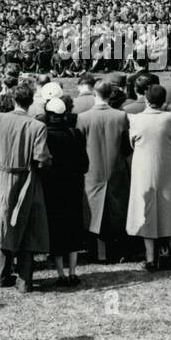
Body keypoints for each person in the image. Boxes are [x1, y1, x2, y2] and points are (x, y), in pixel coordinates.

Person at [0, 82, 52, 291]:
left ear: (13, 100)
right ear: (30, 102)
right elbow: (42, 159)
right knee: (26, 226)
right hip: (25, 180)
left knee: (1, 223)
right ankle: (24, 280)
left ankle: (1, 276)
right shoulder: (37, 126)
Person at [126, 84, 171, 270]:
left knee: (148, 209)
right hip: (167, 167)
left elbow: (131, 143)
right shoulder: (170, 118)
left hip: (144, 168)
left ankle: (151, 258)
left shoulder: (136, 119)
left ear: (146, 99)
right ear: (164, 101)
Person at [76, 79, 132, 264]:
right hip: (116, 168)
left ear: (94, 94)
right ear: (110, 95)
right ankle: (118, 250)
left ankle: (99, 252)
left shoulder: (83, 118)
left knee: (94, 211)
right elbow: (126, 146)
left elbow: (79, 146)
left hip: (92, 169)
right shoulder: (120, 116)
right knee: (116, 210)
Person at [39, 97, 89, 286]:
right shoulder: (75, 134)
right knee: (73, 227)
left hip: (52, 188)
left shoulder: (44, 135)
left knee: (56, 229)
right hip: (73, 187)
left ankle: (60, 273)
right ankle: (73, 271)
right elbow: (85, 165)